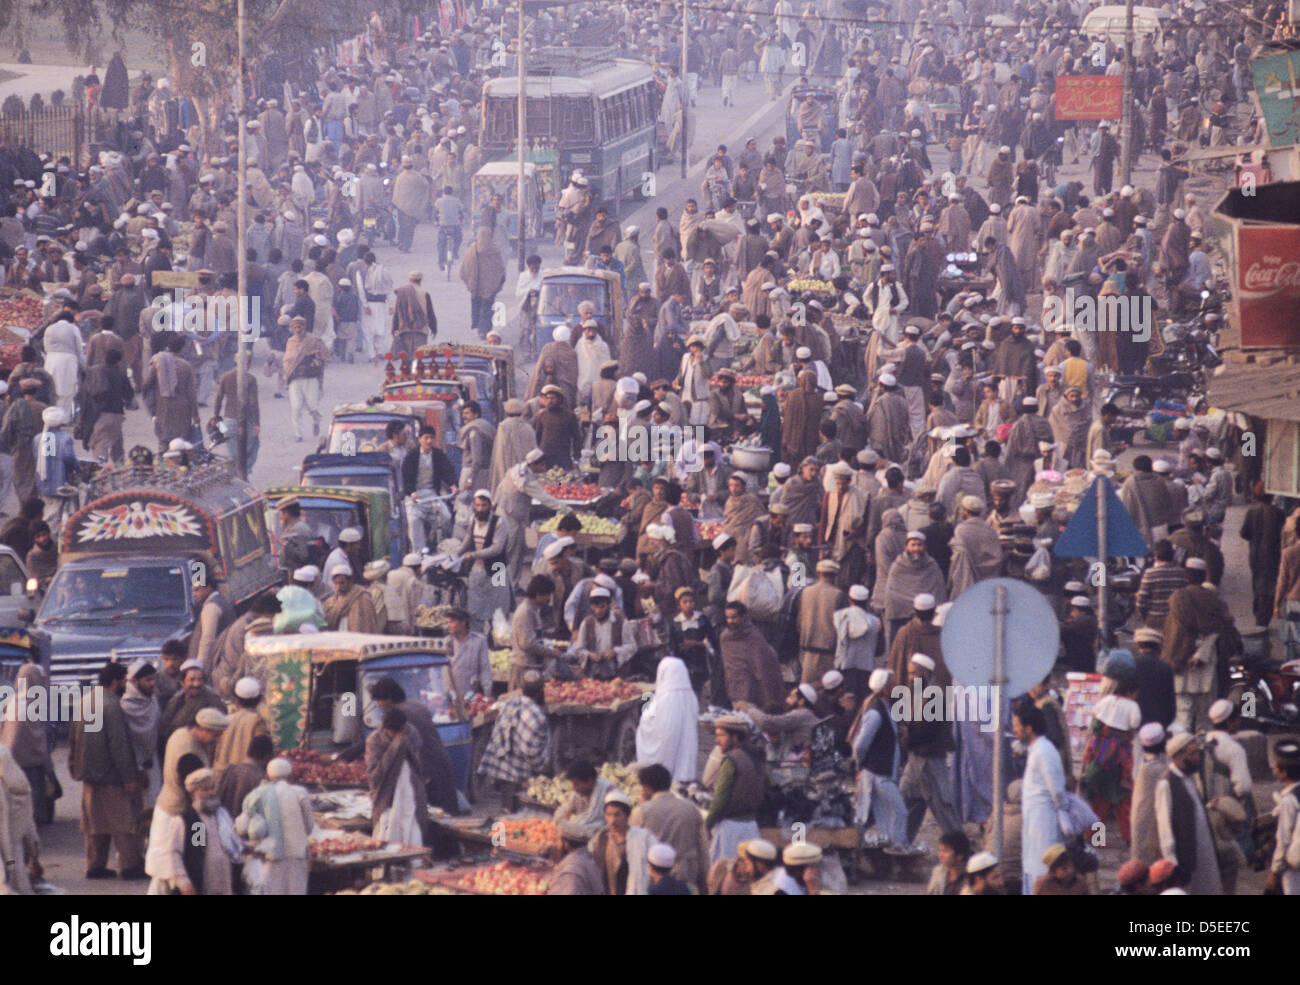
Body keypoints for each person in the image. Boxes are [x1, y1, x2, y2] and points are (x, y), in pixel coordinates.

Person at [67, 663, 144, 879]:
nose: (126, 685)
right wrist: (129, 777)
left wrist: (73, 765)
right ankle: (130, 866)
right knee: (123, 822)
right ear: (115, 681)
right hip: (111, 777)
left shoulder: (85, 701)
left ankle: (95, 866)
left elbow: (73, 737)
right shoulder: (112, 706)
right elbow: (118, 746)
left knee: (94, 823)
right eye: (124, 681)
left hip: (88, 776)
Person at [1161, 557, 1235, 732]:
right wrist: (1200, 654)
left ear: (1186, 576)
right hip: (1205, 668)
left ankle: (1185, 753)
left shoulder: (1176, 599)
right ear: (1204, 576)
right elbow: (1217, 632)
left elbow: (1171, 633)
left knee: (1183, 717)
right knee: (1205, 718)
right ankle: (1204, 755)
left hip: (1179, 664)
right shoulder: (1213, 601)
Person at [148, 764, 241, 895]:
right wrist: (183, 882)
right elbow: (174, 853)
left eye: (212, 788)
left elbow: (232, 843)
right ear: (193, 794)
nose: (211, 793)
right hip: (200, 887)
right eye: (204, 789)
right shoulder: (190, 820)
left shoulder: (222, 816)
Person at [1154, 732, 1223, 895]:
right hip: (1185, 854)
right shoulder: (1166, 783)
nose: (1197, 757)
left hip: (1203, 847)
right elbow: (1164, 826)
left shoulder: (1191, 777)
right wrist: (1171, 862)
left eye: (1197, 753)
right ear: (1178, 756)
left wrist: (1208, 807)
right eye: (1192, 754)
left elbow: (1190, 809)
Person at [234, 755, 313, 895]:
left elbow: (241, 827)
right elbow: (309, 826)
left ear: (268, 774)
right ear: (289, 774)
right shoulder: (300, 793)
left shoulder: (257, 794)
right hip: (297, 856)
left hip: (269, 858)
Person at [849, 668, 908, 850]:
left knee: (882, 815)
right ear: (883, 688)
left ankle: (887, 848)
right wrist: (860, 765)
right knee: (900, 811)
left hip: (881, 772)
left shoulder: (884, 707)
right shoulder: (875, 713)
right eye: (890, 683)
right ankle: (897, 846)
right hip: (878, 773)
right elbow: (860, 745)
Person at [1014, 700, 1067, 895]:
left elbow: (1058, 791)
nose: (1015, 729)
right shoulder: (1036, 750)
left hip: (1044, 823)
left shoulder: (1045, 751)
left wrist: (1062, 810)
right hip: (1034, 822)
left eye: (1018, 726)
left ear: (1029, 728)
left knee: (1041, 868)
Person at [477, 671, 549, 808]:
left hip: (502, 764)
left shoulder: (511, 703)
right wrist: (541, 769)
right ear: (541, 692)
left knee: (506, 810)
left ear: (521, 689)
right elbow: (531, 751)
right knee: (519, 814)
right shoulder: (536, 715)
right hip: (519, 772)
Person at [631, 763, 707, 892]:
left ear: (646, 787)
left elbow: (632, 847)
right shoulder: (691, 809)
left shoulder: (642, 812)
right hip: (685, 879)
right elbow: (703, 850)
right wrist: (704, 885)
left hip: (653, 882)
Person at [704, 716, 765, 863]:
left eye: (721, 735)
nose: (717, 741)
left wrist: (706, 826)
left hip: (731, 831)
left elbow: (719, 801)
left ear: (735, 737)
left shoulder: (731, 760)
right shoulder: (757, 756)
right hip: (751, 827)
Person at [634, 658, 699, 782]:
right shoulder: (691, 696)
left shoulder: (664, 698)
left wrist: (644, 715)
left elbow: (648, 721)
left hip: (664, 752)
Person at [589, 789, 652, 896]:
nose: (612, 820)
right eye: (608, 815)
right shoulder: (601, 838)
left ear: (628, 816)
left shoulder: (642, 838)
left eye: (617, 815)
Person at [212, 677, 269, 775]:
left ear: (236, 699)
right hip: (245, 776)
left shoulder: (226, 719)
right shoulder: (257, 722)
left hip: (222, 776)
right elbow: (261, 753)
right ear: (259, 700)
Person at [1266, 739, 1300, 896]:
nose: (1273, 769)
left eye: (1275, 767)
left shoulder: (1288, 801)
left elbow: (1283, 839)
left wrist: (1274, 871)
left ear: (1284, 772)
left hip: (1291, 867)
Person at [547, 819, 605, 895]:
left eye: (558, 840)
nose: (556, 845)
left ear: (566, 844)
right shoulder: (588, 860)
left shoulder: (571, 872)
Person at [926, 830, 971, 895]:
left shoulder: (971, 878)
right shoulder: (938, 872)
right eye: (940, 850)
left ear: (960, 856)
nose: (940, 855)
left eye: (946, 851)